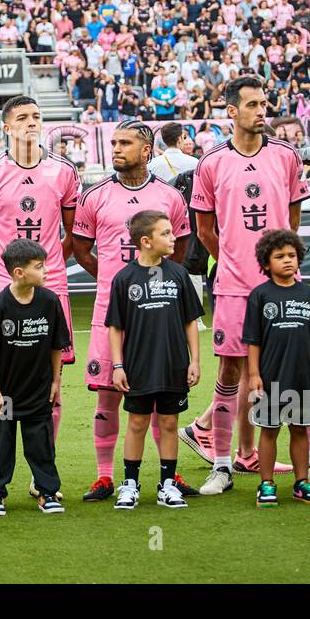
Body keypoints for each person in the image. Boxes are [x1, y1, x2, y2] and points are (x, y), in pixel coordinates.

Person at [181, 77, 310, 492]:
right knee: (231, 370)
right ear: (231, 111)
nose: (261, 110)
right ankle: (222, 467)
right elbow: (205, 230)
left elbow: (293, 223)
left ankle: (309, 463)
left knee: (296, 369)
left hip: (284, 285)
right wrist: (235, 258)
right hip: (233, 286)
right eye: (252, 104)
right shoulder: (211, 163)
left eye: (264, 103)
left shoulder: (286, 156)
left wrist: (277, 264)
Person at [71, 120, 195, 502]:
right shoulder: (94, 195)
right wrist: (119, 284)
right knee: (108, 394)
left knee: (159, 393)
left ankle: (168, 477)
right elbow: (80, 248)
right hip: (111, 313)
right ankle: (105, 476)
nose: (116, 148)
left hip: (158, 313)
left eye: (125, 143)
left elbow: (181, 246)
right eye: (113, 142)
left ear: (146, 150)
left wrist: (156, 281)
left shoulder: (170, 196)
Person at [0, 96, 80, 504]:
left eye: (36, 117)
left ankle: (41, 476)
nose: (32, 123)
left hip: (50, 288)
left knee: (51, 383)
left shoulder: (64, 171)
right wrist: (5, 274)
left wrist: (44, 273)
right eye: (23, 118)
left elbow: (70, 234)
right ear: (7, 127)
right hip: (0, 285)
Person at [106, 211, 204, 511]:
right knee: (137, 423)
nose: (173, 238)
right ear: (146, 241)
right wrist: (118, 365)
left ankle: (168, 484)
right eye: (166, 233)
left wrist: (195, 361)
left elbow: (190, 321)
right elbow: (115, 327)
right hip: (138, 366)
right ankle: (130, 484)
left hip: (174, 365)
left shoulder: (179, 274)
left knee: (170, 423)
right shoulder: (124, 278)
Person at [0, 239, 69, 517]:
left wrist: (55, 381)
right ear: (19, 272)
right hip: (6, 395)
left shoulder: (50, 302)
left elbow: (57, 345)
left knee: (40, 444)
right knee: (1, 443)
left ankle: (47, 491)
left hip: (38, 391)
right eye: (39, 267)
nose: (46, 271)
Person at [243, 229, 310, 508]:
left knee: (300, 429)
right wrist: (254, 374)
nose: (287, 260)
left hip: (302, 377)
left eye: (291, 255)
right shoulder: (260, 295)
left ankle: (302, 482)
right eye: (279, 256)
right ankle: (266, 484)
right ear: (266, 263)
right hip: (270, 378)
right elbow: (253, 340)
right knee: (269, 430)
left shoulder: (309, 295)